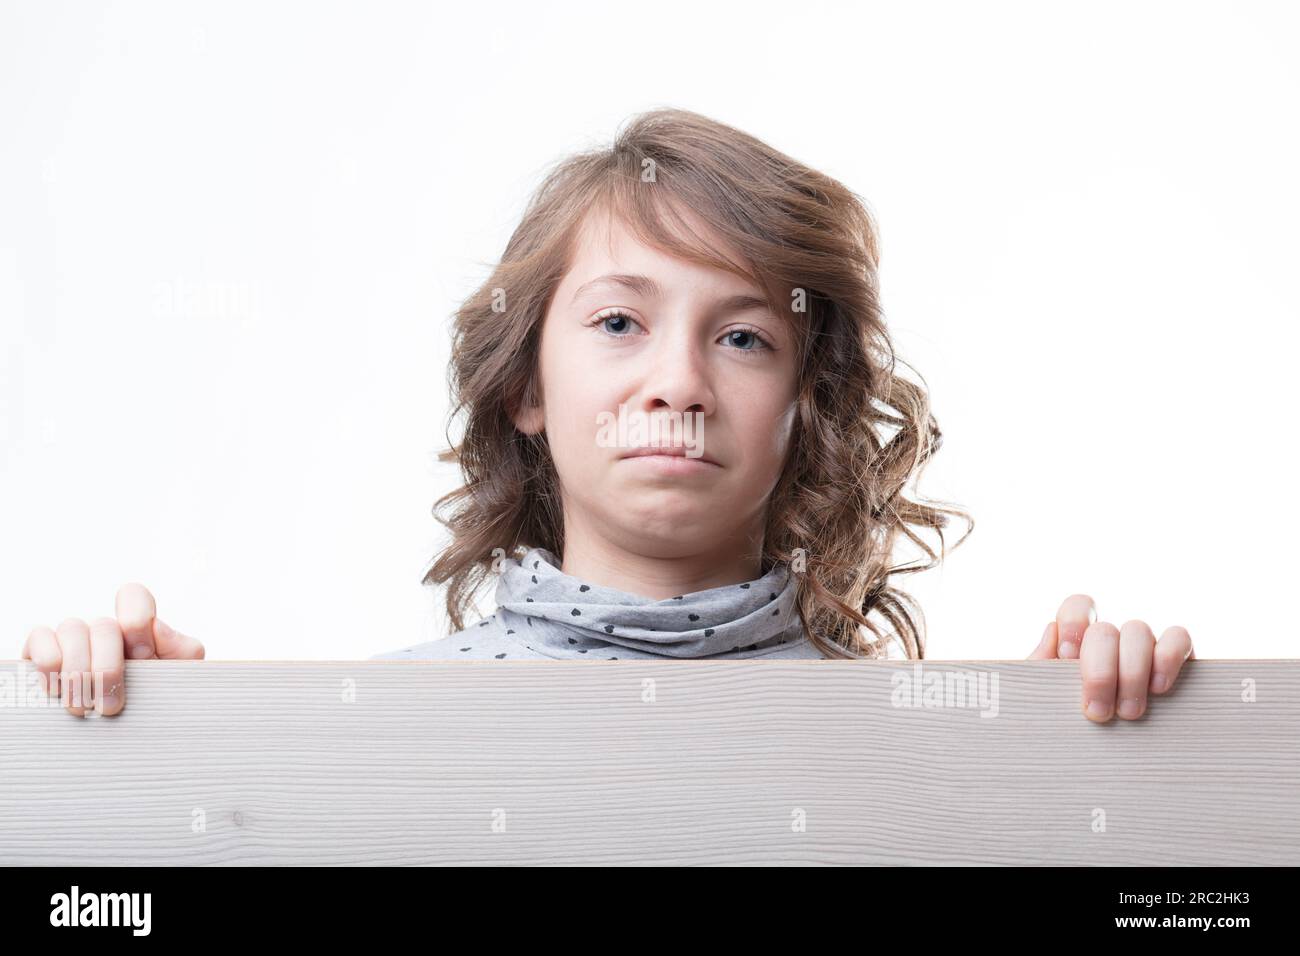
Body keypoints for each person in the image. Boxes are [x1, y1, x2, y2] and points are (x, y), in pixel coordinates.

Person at [20, 108, 1194, 722]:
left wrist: (1081, 756)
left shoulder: (920, 733)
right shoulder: (381, 719)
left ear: (807, 402)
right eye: (619, 323)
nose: (676, 382)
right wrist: (128, 739)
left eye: (742, 337)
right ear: (526, 386)